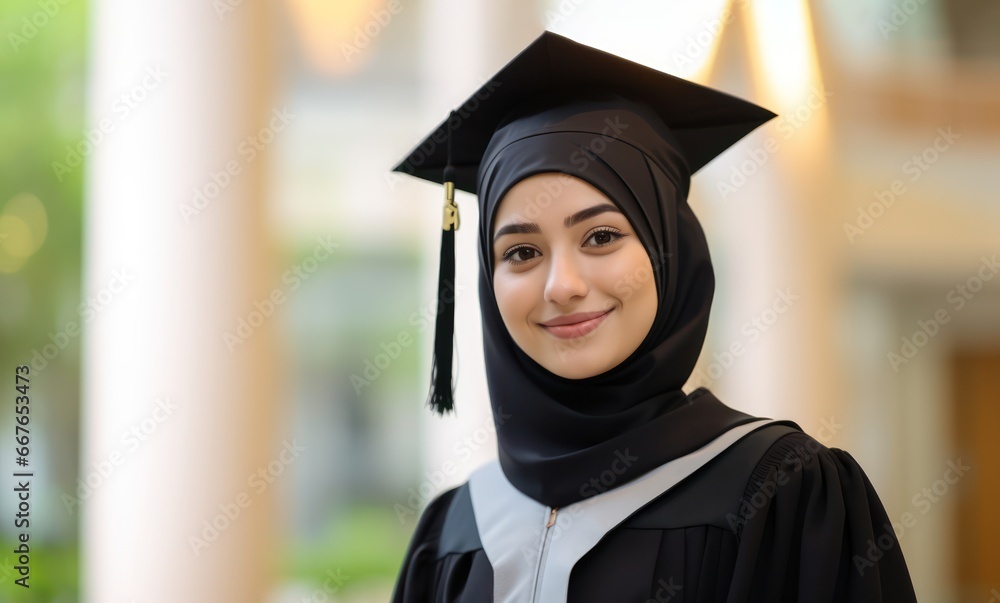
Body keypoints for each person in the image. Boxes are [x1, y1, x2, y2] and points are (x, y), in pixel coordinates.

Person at [389, 31, 917, 602]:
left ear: (672, 252)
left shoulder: (784, 493)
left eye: (601, 236)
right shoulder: (452, 532)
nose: (562, 285)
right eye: (521, 252)